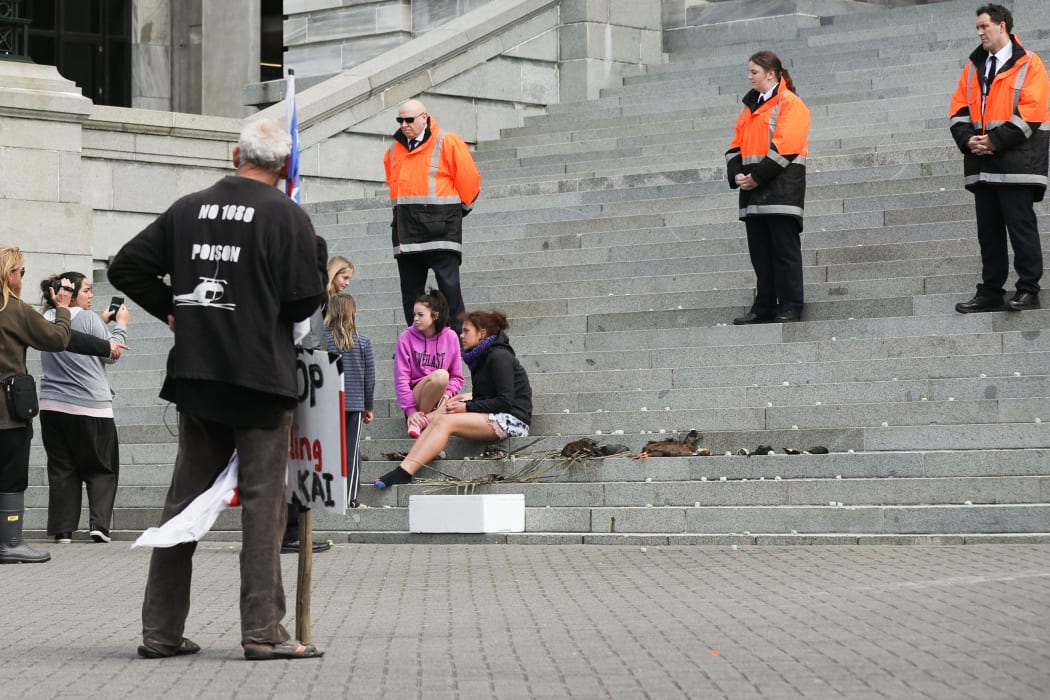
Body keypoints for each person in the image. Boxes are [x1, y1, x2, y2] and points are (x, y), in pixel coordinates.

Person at [108, 117, 327, 660]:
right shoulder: (288, 215)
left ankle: (160, 632)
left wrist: (171, 309)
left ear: (235, 156)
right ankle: (262, 632)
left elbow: (124, 268)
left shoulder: (188, 208)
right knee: (262, 505)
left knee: (182, 503)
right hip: (260, 378)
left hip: (198, 376)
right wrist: (314, 255)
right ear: (286, 167)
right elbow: (302, 304)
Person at [950, 4, 1047, 313]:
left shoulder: (1030, 63)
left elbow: (1031, 112)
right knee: (988, 233)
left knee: (1021, 228)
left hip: (1017, 164)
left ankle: (1029, 290)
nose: (980, 32)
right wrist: (968, 140)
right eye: (978, 27)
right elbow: (957, 111)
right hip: (983, 164)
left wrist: (993, 140)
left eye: (984, 26)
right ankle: (991, 291)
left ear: (1002, 25)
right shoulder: (973, 68)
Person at [375, 309, 532, 488]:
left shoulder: (499, 356)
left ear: (482, 334)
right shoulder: (481, 357)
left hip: (513, 420)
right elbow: (486, 396)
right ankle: (422, 435)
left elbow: (505, 401)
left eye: (466, 331)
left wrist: (467, 408)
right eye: (461, 331)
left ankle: (404, 472)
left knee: (446, 422)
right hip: (498, 413)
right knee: (453, 405)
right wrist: (462, 404)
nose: (461, 335)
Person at [38, 272, 130, 545]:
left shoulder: (45, 319)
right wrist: (120, 325)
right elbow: (112, 354)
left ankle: (63, 531)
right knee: (102, 468)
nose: (91, 295)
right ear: (72, 293)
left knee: (62, 469)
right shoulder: (89, 319)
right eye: (86, 290)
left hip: (52, 407)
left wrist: (102, 319)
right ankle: (99, 526)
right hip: (91, 407)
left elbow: (70, 333)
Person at [0, 250, 75, 564]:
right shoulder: (14, 309)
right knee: (12, 478)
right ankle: (10, 543)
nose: (22, 278)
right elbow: (57, 339)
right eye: (22, 272)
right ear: (10, 274)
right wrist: (62, 309)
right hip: (8, 413)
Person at [726, 50, 811, 325]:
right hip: (754, 190)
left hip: (781, 190)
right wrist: (737, 174)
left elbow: (786, 147)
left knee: (784, 252)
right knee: (761, 255)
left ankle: (790, 305)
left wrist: (755, 177)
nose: (749, 77)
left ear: (771, 74)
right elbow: (734, 146)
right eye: (749, 72)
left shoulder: (791, 103)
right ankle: (764, 305)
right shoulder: (749, 108)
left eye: (754, 72)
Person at [384, 98, 481, 331]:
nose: (404, 124)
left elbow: (470, 180)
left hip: (440, 233)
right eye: (400, 120)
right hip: (408, 235)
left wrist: (456, 214)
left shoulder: (446, 141)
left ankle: (457, 339)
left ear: (424, 117)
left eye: (409, 120)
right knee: (411, 296)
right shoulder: (393, 150)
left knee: (450, 292)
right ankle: (417, 344)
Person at [282, 253, 354, 553]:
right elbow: (310, 343)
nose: (346, 284)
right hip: (300, 381)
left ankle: (291, 531)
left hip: (294, 377)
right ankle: (291, 533)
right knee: (297, 463)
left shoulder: (314, 299)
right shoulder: (313, 298)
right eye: (344, 277)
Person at [394, 288, 464, 439]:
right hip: (417, 395)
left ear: (435, 315)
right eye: (414, 314)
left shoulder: (451, 337)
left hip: (440, 397)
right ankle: (419, 419)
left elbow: (457, 377)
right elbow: (401, 379)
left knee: (469, 398)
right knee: (441, 376)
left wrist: (447, 394)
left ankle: (421, 422)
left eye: (420, 314)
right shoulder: (406, 337)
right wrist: (410, 411)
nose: (415, 319)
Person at [325, 294, 374, 508]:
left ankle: (327, 495)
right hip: (354, 404)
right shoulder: (362, 342)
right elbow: (369, 377)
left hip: (328, 403)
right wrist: (368, 406)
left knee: (329, 449)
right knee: (351, 452)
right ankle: (350, 498)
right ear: (353, 312)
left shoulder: (322, 341)